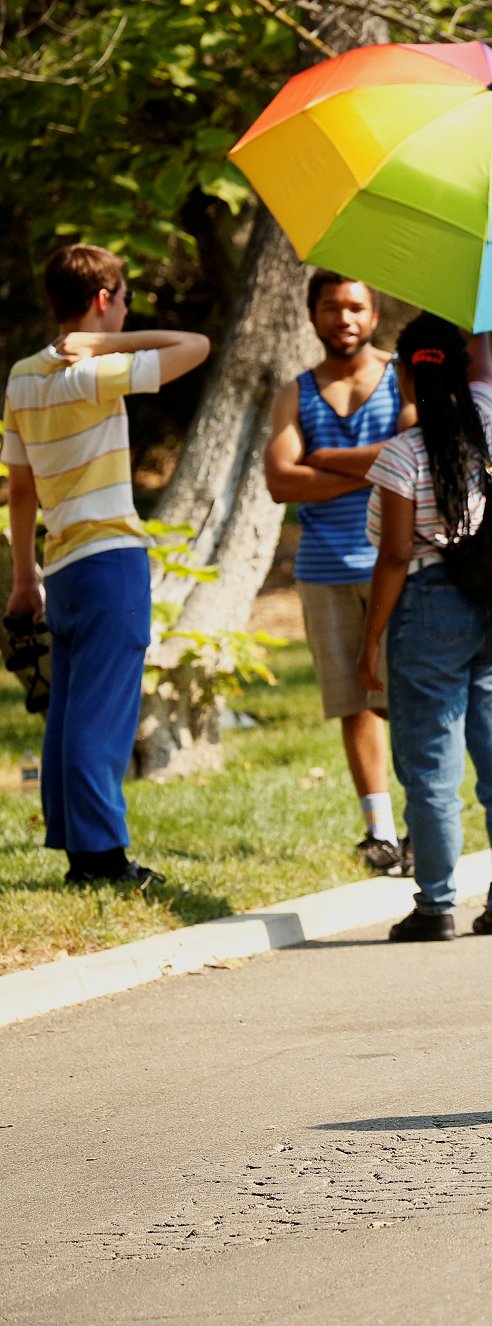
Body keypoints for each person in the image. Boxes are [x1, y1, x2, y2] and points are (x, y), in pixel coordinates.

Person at [3, 245, 209, 885]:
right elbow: (195, 344)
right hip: (111, 560)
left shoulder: (21, 376)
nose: (125, 311)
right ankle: (103, 861)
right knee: (104, 714)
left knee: (69, 712)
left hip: (61, 564)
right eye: (122, 299)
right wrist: (94, 345)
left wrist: (24, 577)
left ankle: (76, 846)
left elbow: (20, 486)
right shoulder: (92, 373)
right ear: (102, 300)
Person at [357, 314, 492, 943]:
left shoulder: (399, 457)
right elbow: (483, 371)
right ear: (460, 372)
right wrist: (477, 312)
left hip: (428, 609)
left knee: (431, 766)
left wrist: (370, 639)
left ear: (404, 372)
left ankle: (436, 906)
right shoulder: (484, 425)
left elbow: (396, 555)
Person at [262, 271, 415, 878]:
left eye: (356, 307)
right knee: (355, 702)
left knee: (410, 698)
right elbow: (279, 481)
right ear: (312, 315)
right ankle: (379, 831)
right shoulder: (294, 393)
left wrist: (319, 461)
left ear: (374, 316)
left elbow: (413, 450)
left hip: (398, 561)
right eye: (331, 307)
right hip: (324, 570)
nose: (343, 318)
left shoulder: (403, 376)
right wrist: (375, 467)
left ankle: (425, 822)